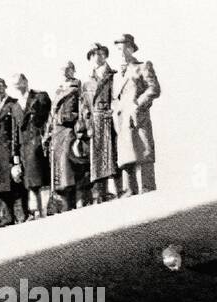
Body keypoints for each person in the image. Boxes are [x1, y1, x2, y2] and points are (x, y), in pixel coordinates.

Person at [112, 33, 161, 195]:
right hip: (122, 119)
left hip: (137, 116)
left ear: (131, 48)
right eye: (118, 49)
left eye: (124, 48)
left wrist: (138, 104)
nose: (121, 52)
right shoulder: (116, 75)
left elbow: (154, 89)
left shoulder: (142, 66)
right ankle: (129, 189)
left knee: (144, 151)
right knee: (127, 155)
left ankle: (147, 187)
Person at [82, 43, 119, 205]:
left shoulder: (114, 75)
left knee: (115, 154)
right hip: (96, 123)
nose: (97, 57)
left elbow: (118, 97)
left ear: (105, 55)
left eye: (100, 53)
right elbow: (84, 106)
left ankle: (121, 189)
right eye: (93, 54)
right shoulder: (87, 82)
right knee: (97, 157)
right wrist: (88, 125)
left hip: (111, 120)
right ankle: (99, 193)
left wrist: (114, 111)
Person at [47, 61, 88, 211]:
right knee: (59, 170)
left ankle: (79, 201)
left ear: (73, 70)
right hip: (57, 133)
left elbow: (83, 108)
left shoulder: (77, 86)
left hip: (70, 131)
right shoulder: (58, 90)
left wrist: (70, 118)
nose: (65, 72)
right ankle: (65, 205)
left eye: (68, 69)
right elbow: (52, 114)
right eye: (62, 69)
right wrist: (48, 133)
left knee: (72, 167)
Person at [12, 74, 52, 220]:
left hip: (38, 142)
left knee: (42, 179)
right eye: (15, 86)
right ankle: (37, 212)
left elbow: (48, 117)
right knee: (31, 183)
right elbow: (15, 131)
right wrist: (15, 154)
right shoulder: (15, 107)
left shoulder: (40, 97)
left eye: (19, 84)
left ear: (25, 82)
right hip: (24, 148)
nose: (18, 88)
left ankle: (45, 211)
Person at [0, 78, 21, 226]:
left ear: (5, 87)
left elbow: (16, 129)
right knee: (0, 187)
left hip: (8, 149)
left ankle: (19, 214)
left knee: (14, 184)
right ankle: (5, 217)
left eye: (0, 87)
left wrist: (14, 153)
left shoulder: (13, 104)